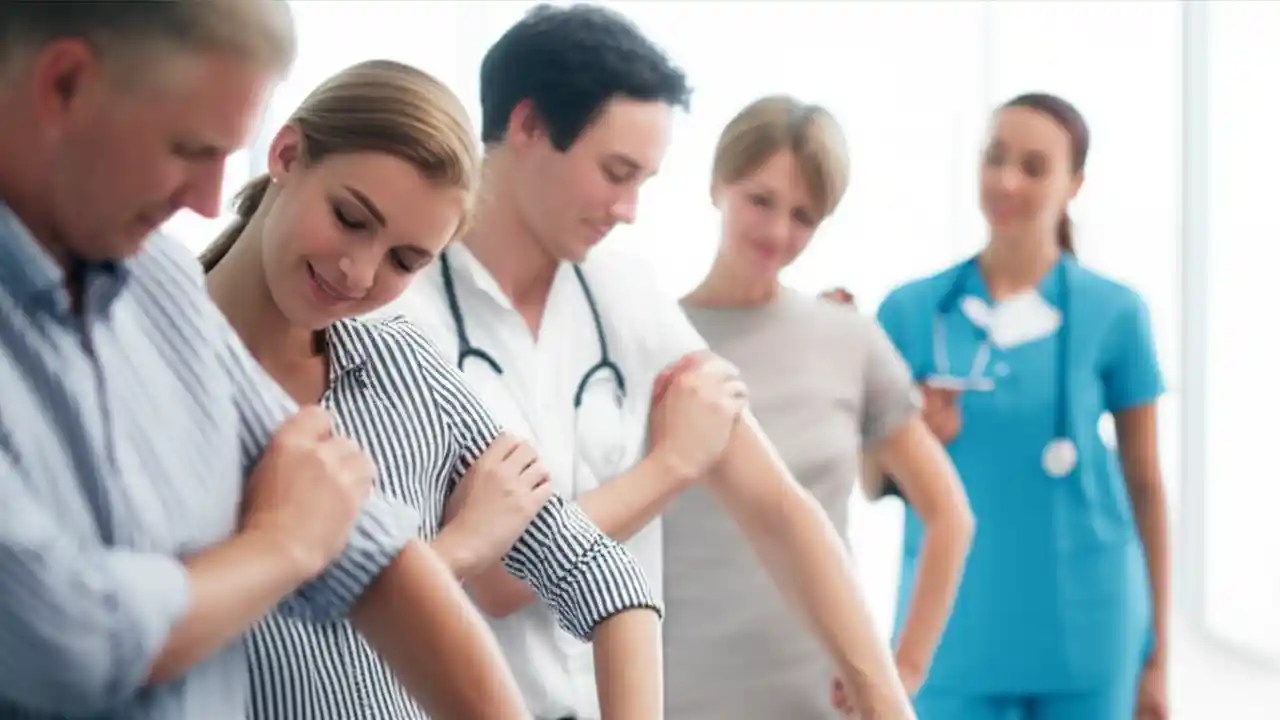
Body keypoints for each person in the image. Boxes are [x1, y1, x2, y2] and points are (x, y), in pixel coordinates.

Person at [0, 3, 533, 718]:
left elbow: (367, 546)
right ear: (64, 85)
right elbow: (70, 639)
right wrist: (281, 544)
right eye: (188, 149)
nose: (211, 198)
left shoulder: (156, 280)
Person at [387, 5, 916, 719]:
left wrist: (885, 695)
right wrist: (671, 465)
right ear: (529, 125)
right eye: (615, 172)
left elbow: (777, 509)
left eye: (645, 180)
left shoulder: (624, 292)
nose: (630, 208)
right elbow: (503, 574)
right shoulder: (403, 311)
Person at [201, 58, 663, 720]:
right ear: (287, 153)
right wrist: (458, 551)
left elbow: (610, 584)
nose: (358, 273)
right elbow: (202, 628)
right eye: (350, 218)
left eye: (404, 261)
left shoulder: (405, 369)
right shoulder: (137, 360)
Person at [667, 95, 975, 719]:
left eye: (804, 215)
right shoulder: (652, 338)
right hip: (672, 691)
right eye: (760, 200)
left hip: (818, 699)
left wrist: (900, 669)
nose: (779, 232)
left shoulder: (848, 339)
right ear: (716, 183)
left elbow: (949, 515)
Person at [874, 93, 1170, 720]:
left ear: (1074, 184)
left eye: (1034, 167)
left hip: (1089, 630)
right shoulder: (909, 312)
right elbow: (873, 484)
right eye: (995, 158)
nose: (1007, 180)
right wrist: (914, 440)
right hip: (952, 633)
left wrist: (1159, 657)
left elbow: (1144, 485)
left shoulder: (1115, 313)